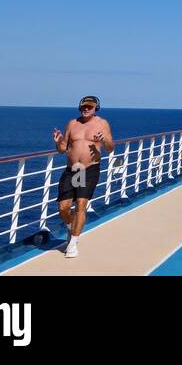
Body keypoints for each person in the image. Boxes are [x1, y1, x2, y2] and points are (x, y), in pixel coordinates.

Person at [51, 95, 114, 259]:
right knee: (63, 208)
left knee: (81, 205)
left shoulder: (102, 123)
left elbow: (110, 148)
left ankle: (72, 243)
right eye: (84, 107)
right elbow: (63, 149)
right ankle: (72, 227)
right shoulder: (72, 123)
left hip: (90, 169)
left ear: (96, 109)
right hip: (72, 170)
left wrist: (105, 140)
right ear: (80, 108)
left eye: (90, 107)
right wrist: (58, 142)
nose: (86, 109)